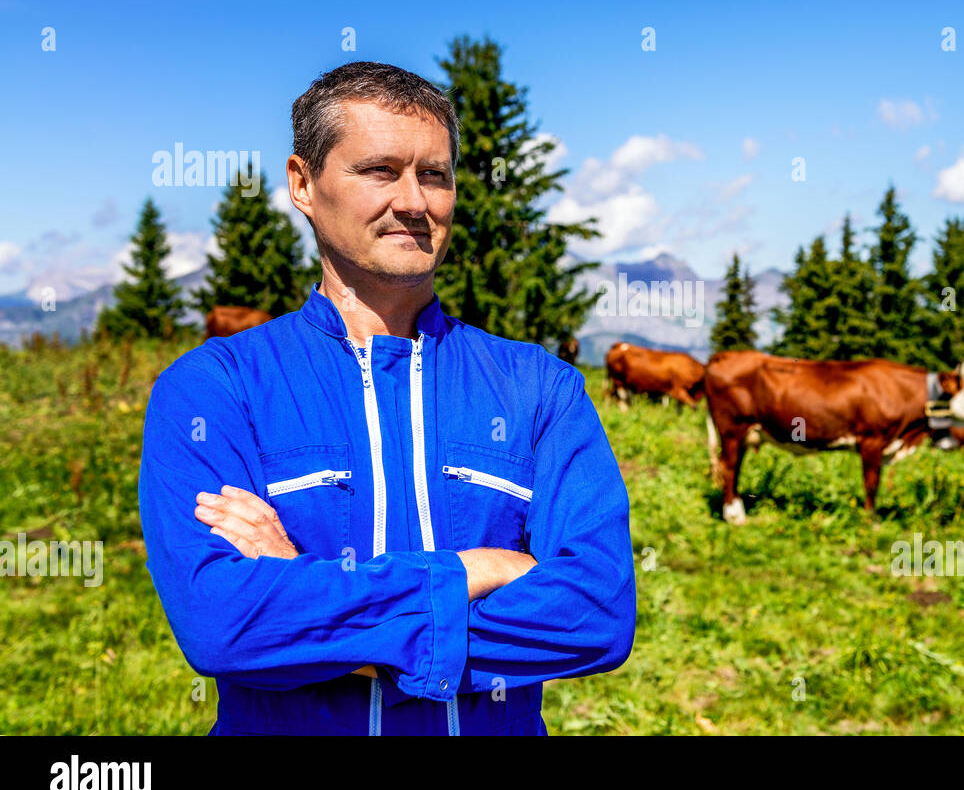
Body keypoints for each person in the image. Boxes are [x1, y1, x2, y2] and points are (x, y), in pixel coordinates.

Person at [138, 61, 636, 735]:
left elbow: (595, 613)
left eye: (434, 174)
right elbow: (223, 621)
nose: (414, 200)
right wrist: (476, 569)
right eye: (379, 170)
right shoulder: (214, 388)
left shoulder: (539, 387)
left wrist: (309, 590)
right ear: (303, 184)